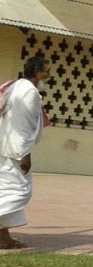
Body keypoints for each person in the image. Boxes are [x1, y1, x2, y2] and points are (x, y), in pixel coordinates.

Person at [0, 54, 50, 250]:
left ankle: (3, 239)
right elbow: (23, 127)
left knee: (5, 192)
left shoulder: (15, 86)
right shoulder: (29, 93)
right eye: (46, 72)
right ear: (37, 72)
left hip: (5, 148)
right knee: (20, 193)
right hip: (14, 153)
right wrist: (25, 155)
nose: (48, 76)